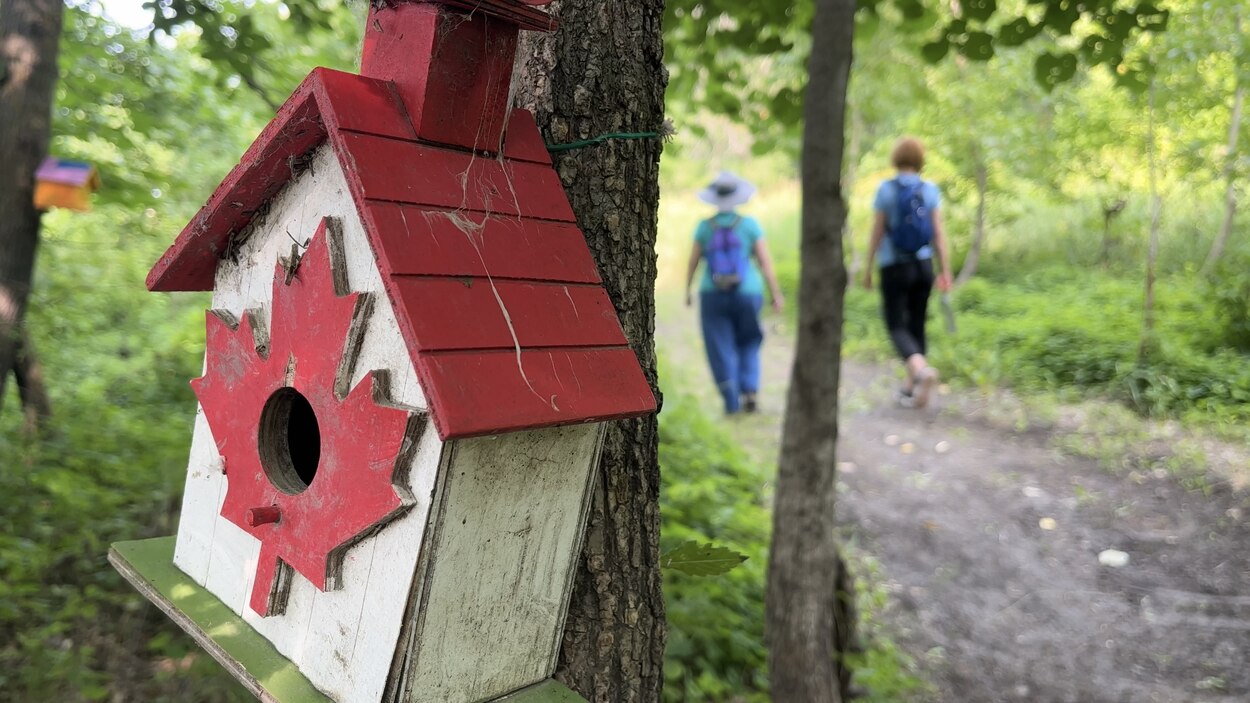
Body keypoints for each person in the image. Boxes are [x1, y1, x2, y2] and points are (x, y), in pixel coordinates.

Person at [685, 171, 785, 414]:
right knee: (749, 341)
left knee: (719, 346)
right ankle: (750, 391)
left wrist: (688, 290)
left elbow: (693, 261)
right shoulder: (749, 225)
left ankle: (731, 400)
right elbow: (765, 262)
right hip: (748, 292)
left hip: (712, 294)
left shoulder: (704, 227)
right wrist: (776, 293)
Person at [863, 138, 952, 409]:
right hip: (924, 266)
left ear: (896, 158)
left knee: (896, 325)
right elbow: (938, 233)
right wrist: (945, 270)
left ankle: (921, 373)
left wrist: (868, 267)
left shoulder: (886, 190)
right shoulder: (929, 189)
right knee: (917, 324)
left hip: (894, 266)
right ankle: (911, 387)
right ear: (920, 159)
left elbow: (877, 232)